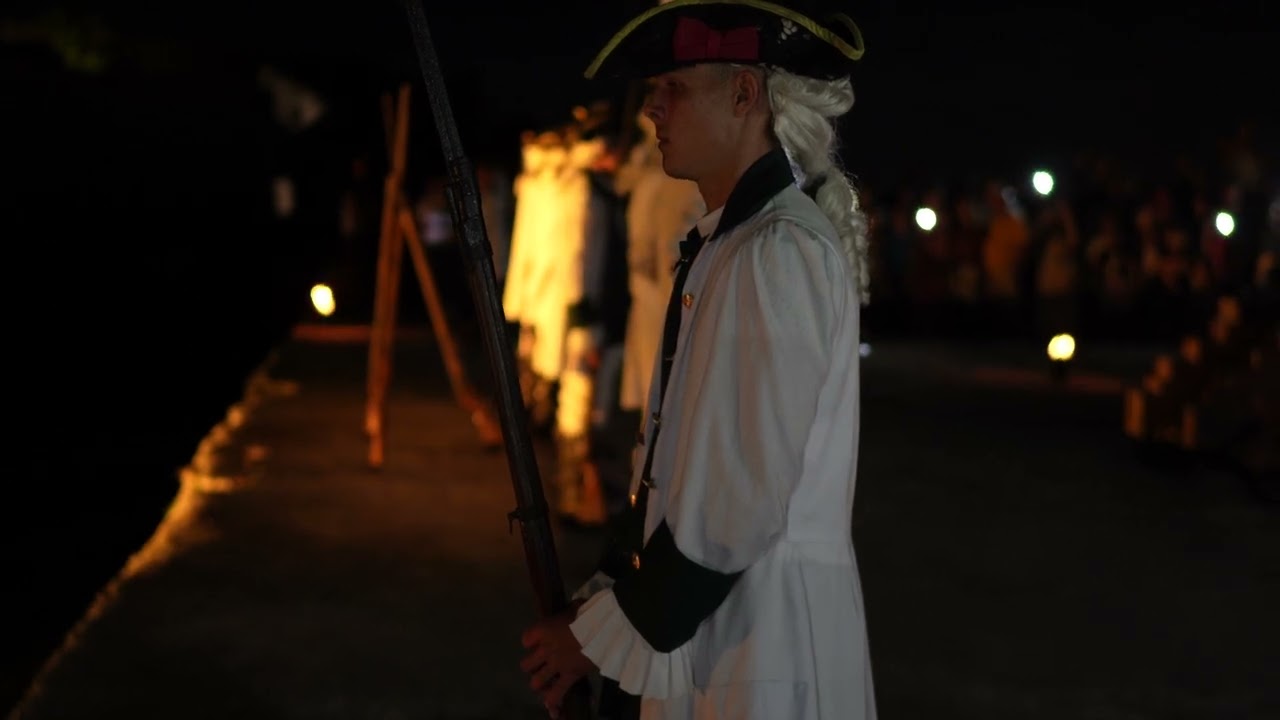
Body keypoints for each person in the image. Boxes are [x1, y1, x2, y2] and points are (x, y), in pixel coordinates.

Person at [519, 2, 876, 718]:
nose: (651, 105)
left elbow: (737, 499)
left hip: (766, 646)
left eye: (674, 85)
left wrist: (598, 640)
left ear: (745, 94)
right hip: (722, 633)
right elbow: (675, 470)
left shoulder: (775, 251)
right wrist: (602, 600)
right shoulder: (732, 244)